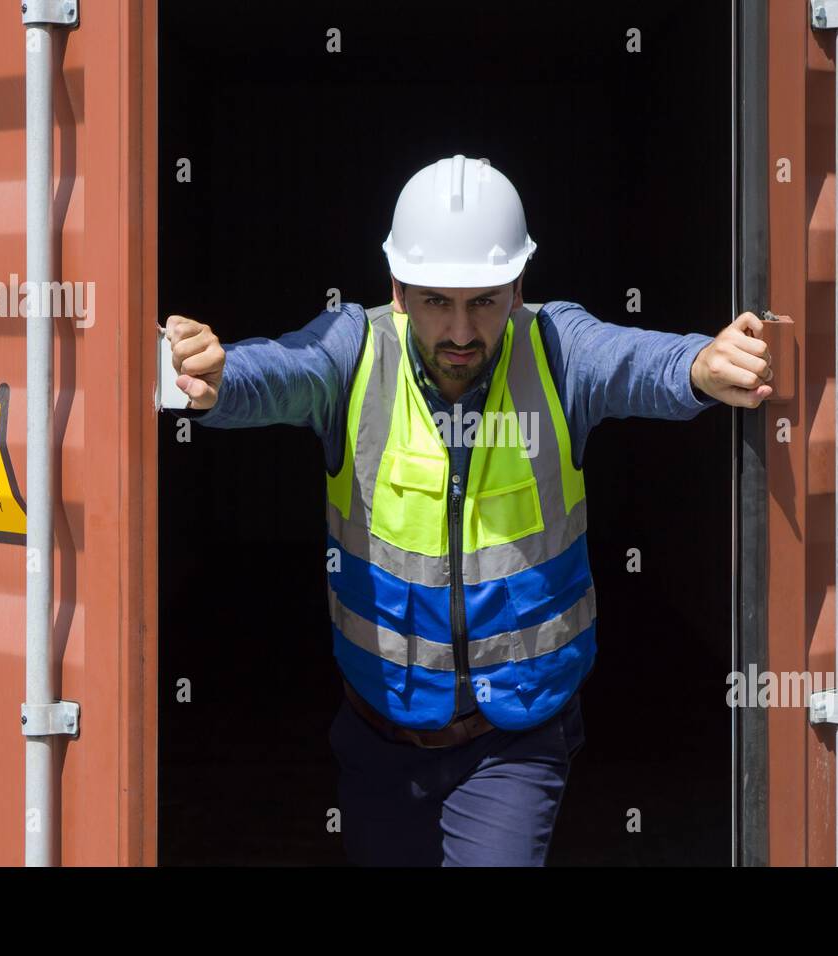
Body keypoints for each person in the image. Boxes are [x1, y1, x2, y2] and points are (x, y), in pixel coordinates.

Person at [164, 154, 774, 866]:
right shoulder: (350, 350)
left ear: (518, 287)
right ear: (397, 291)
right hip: (378, 736)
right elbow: (282, 371)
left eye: (483, 301)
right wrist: (219, 376)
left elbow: (631, 359)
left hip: (515, 738)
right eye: (435, 301)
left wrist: (702, 365)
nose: (460, 331)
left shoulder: (554, 347)